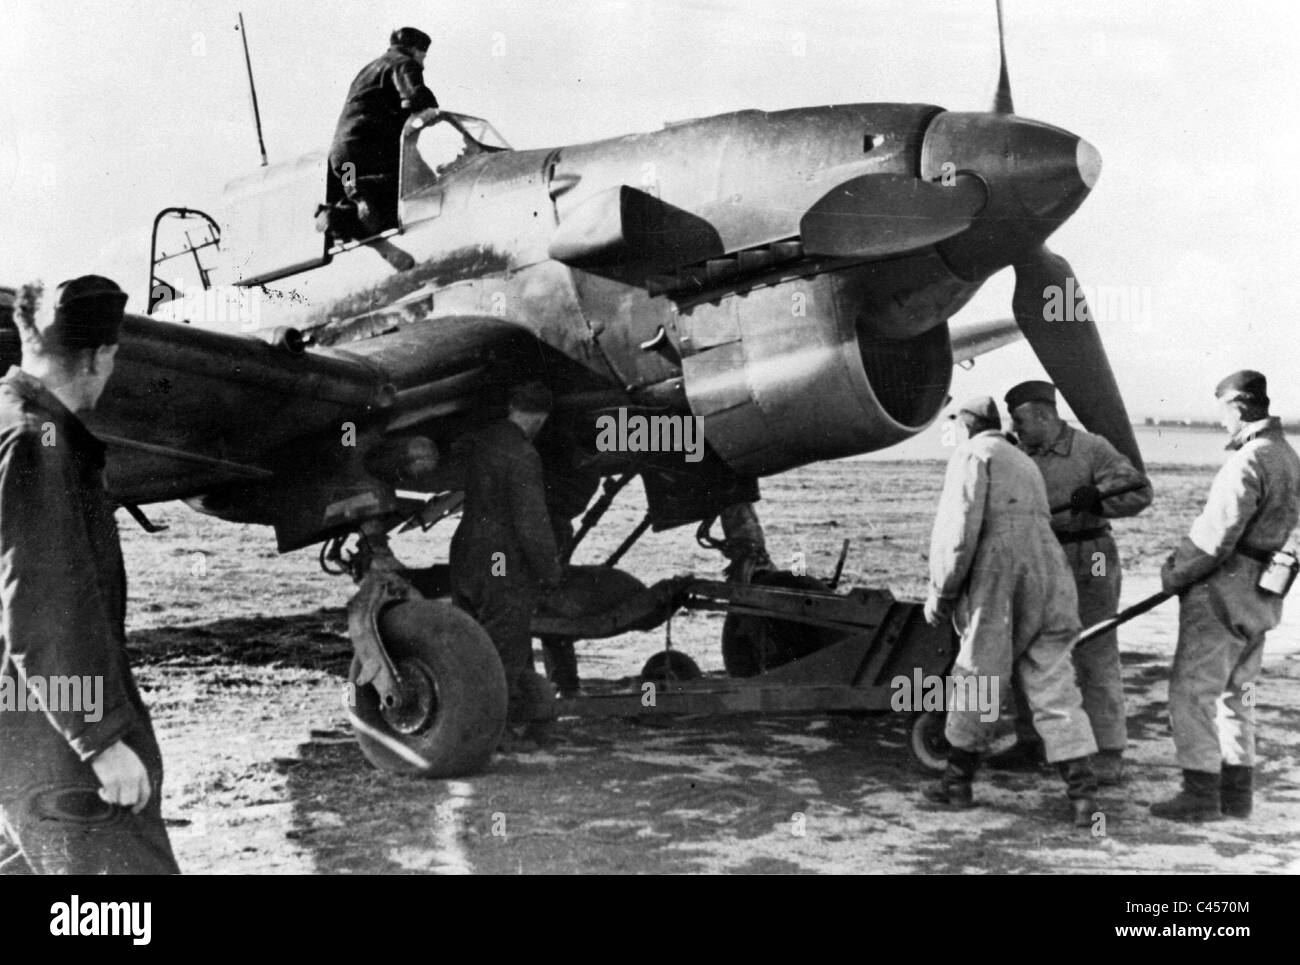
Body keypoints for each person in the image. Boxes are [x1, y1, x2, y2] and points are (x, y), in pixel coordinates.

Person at [0, 275, 179, 874]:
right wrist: (100, 740)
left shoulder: (15, 420)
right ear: (102, 357)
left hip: (26, 721)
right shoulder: (38, 443)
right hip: (51, 734)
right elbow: (41, 609)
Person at [923, 396, 1099, 825]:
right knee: (1054, 682)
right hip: (1050, 573)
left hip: (998, 575)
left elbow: (959, 530)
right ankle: (1082, 796)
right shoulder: (1022, 460)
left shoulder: (972, 454)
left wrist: (941, 594)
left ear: (965, 426)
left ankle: (957, 782)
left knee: (979, 677)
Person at [1152, 370, 1300, 822]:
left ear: (1237, 407)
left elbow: (1216, 539)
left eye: (1223, 413)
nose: (1221, 423)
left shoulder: (1248, 460)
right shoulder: (1289, 456)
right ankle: (1237, 796)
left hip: (1222, 592)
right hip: (1262, 594)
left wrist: (1176, 574)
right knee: (1239, 694)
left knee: (1191, 692)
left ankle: (1199, 794)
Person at [990, 380, 1153, 784]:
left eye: (1021, 420)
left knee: (1094, 649)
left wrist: (1098, 498)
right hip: (1038, 557)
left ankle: (1108, 752)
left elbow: (1139, 492)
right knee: (1026, 648)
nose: (1017, 428)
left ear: (1045, 415)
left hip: (1090, 557)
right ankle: (1033, 741)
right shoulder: (1017, 452)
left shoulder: (1091, 448)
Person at [450, 382, 564, 745]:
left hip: (466, 552)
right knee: (503, 649)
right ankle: (492, 734)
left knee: (472, 644)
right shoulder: (523, 453)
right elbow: (532, 523)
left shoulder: (484, 441)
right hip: (500, 561)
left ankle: (461, 718)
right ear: (540, 419)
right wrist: (550, 570)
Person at [327, 27, 438, 238]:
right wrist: (431, 106)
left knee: (363, 200)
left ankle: (343, 214)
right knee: (417, 186)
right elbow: (414, 98)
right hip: (365, 154)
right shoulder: (403, 63)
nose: (423, 62)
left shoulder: (368, 69)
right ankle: (349, 204)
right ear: (414, 49)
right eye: (423, 56)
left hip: (344, 159)